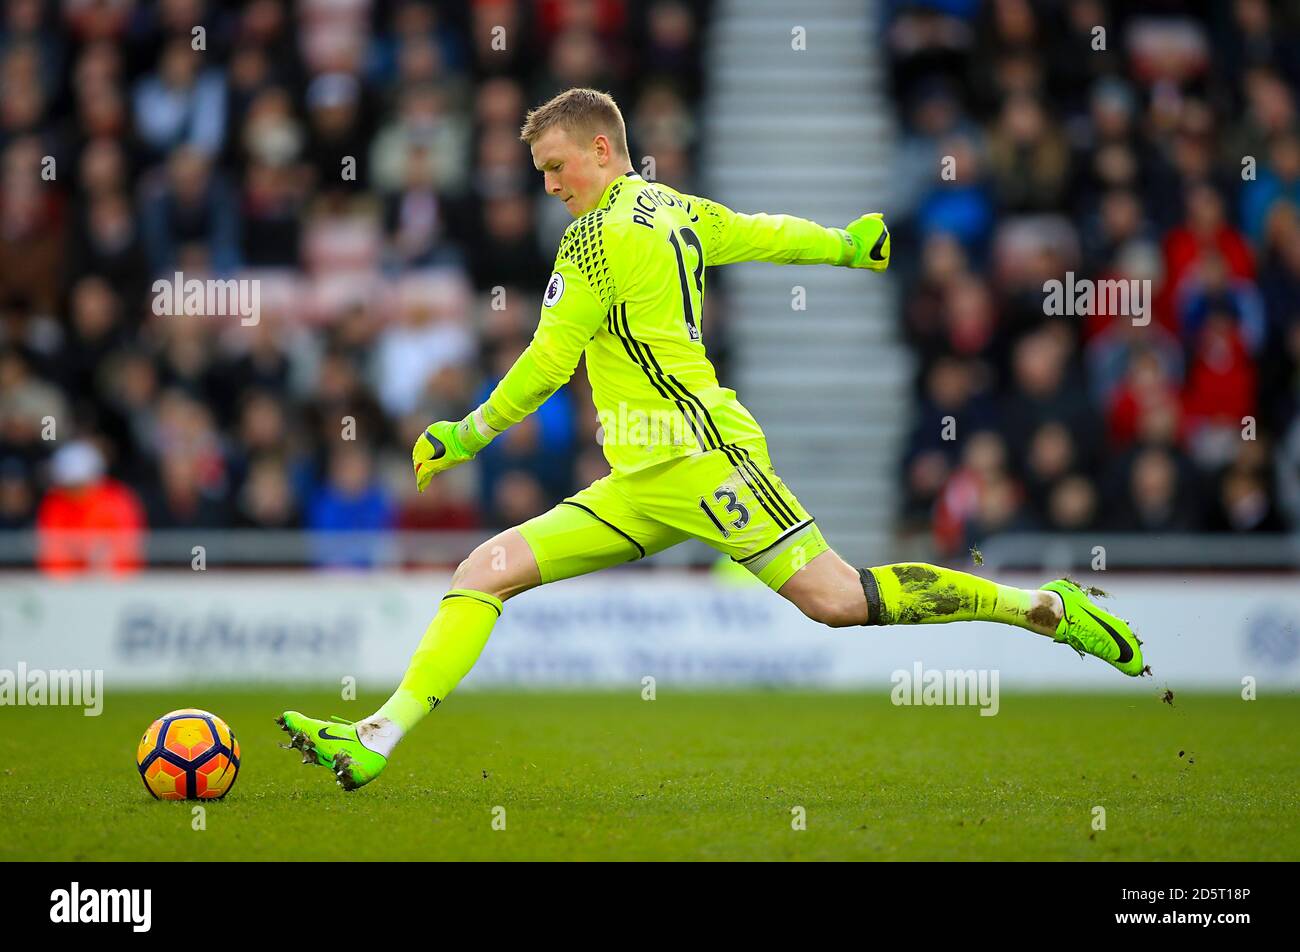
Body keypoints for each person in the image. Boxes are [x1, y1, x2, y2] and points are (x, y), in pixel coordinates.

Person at [279, 88, 1147, 791]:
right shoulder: (674, 208)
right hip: (639, 478)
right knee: (482, 572)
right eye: (541, 173)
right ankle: (377, 736)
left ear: (602, 150)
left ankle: (1044, 608)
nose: (549, 186)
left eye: (555, 168)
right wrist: (845, 246)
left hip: (703, 459)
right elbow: (761, 233)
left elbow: (547, 362)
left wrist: (463, 435)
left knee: (838, 600)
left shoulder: (593, 242)